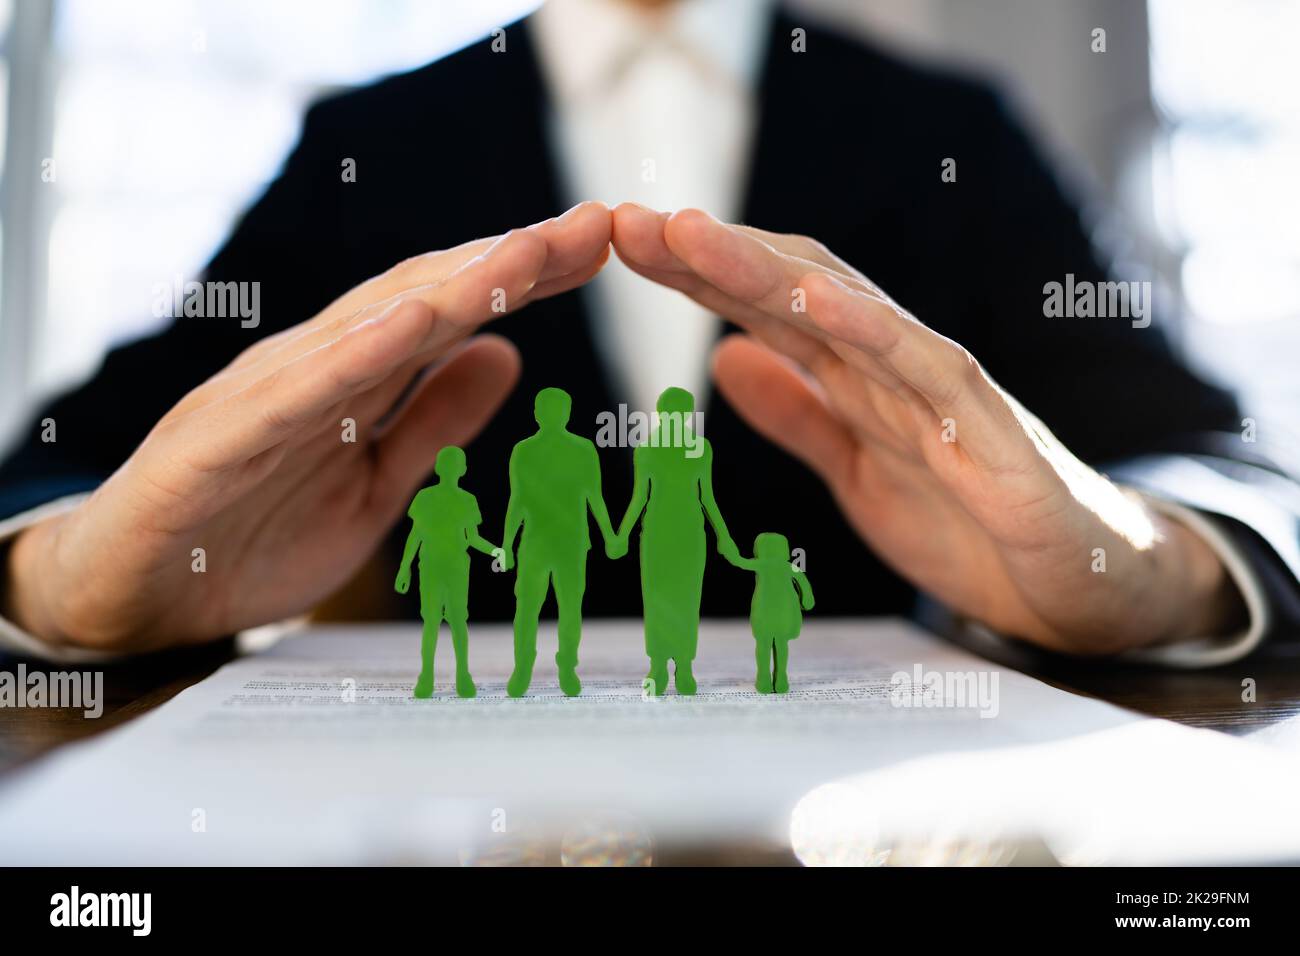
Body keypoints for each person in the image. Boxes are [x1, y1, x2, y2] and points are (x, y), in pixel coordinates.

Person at [1, 0, 1297, 669]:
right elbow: (74, 467)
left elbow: (1222, 461)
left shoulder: (951, 132)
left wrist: (1158, 569)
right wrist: (60, 583)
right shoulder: (368, 145)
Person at [501, 388, 623, 697]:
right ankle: (523, 666)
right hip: (536, 543)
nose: (553, 416)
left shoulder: (583, 450)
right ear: (537, 414)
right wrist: (506, 544)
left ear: (567, 414)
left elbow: (594, 496)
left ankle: (567, 665)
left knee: (569, 607)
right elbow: (518, 500)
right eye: (547, 410)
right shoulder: (524, 451)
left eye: (558, 410)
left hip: (571, 542)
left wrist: (609, 535)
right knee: (528, 607)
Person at [616, 387, 734, 695]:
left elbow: (707, 497)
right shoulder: (647, 450)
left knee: (685, 598)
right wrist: (622, 534)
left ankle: (683, 665)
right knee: (658, 598)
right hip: (658, 533)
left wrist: (724, 536)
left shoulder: (700, 449)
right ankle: (658, 665)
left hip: (688, 534)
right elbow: (640, 498)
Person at [395, 446, 497, 699]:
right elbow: (416, 535)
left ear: (462, 470)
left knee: (455, 621)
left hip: (455, 567)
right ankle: (427, 676)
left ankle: (462, 674)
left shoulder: (466, 500)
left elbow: (472, 538)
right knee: (434, 622)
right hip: (432, 566)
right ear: (441, 468)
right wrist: (404, 567)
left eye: (456, 464)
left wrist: (496, 551)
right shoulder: (425, 498)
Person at [726, 532, 814, 694]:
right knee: (781, 643)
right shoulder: (790, 566)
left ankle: (764, 677)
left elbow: (739, 561)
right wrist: (807, 599)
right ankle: (781, 677)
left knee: (763, 643)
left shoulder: (761, 564)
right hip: (783, 611)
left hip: (763, 610)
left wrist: (729, 550)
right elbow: (804, 584)